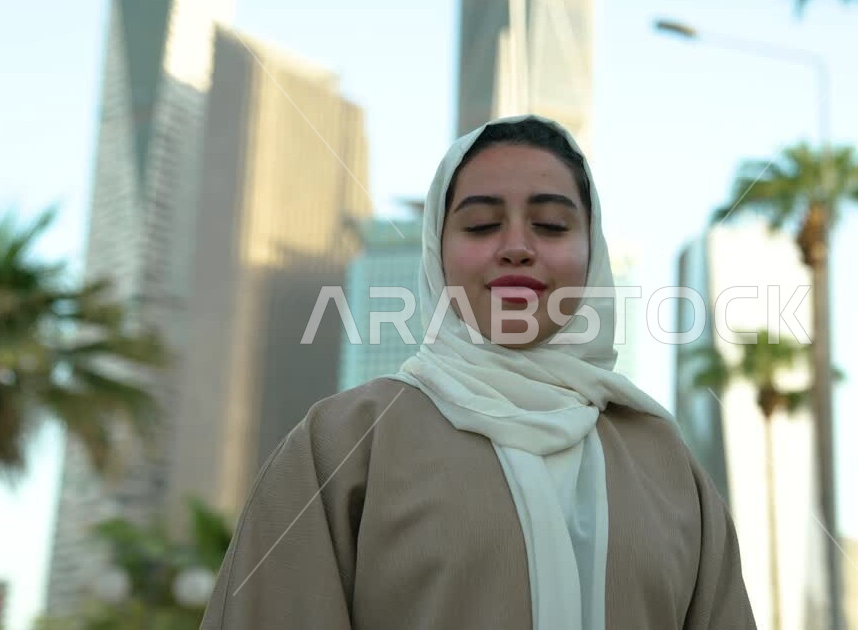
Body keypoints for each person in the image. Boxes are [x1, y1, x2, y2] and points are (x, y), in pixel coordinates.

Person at [200, 115, 757, 630]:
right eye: (482, 224)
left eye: (552, 225)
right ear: (435, 253)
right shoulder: (345, 443)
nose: (516, 247)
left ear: (595, 253)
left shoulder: (663, 461)